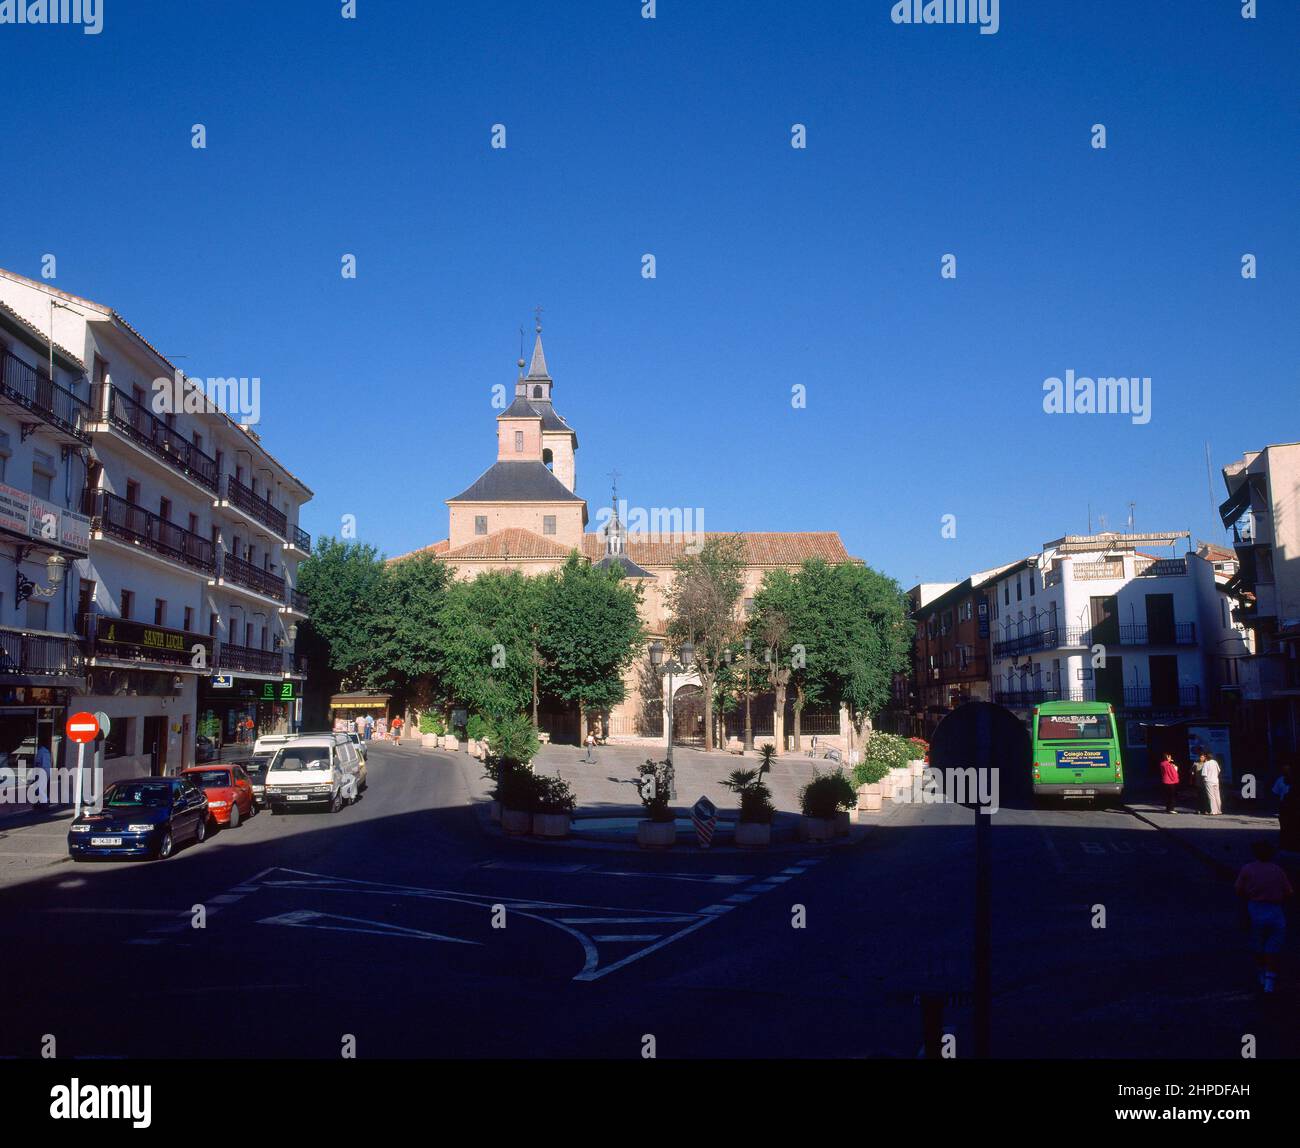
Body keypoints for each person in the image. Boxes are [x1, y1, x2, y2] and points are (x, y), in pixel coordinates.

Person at [1235, 840, 1294, 993]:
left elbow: (1239, 889)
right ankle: (1270, 979)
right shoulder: (1278, 870)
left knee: (1257, 942)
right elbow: (1288, 892)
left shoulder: (1247, 869)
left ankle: (1261, 972)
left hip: (1255, 908)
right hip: (1275, 909)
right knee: (1273, 945)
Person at [1199, 750, 1223, 816]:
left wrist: (1204, 780)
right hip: (1216, 780)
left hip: (1209, 781)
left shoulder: (1206, 764)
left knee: (1211, 796)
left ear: (1206, 757)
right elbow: (1219, 771)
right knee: (1217, 795)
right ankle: (1219, 810)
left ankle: (1213, 811)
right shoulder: (1215, 762)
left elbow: (1204, 774)